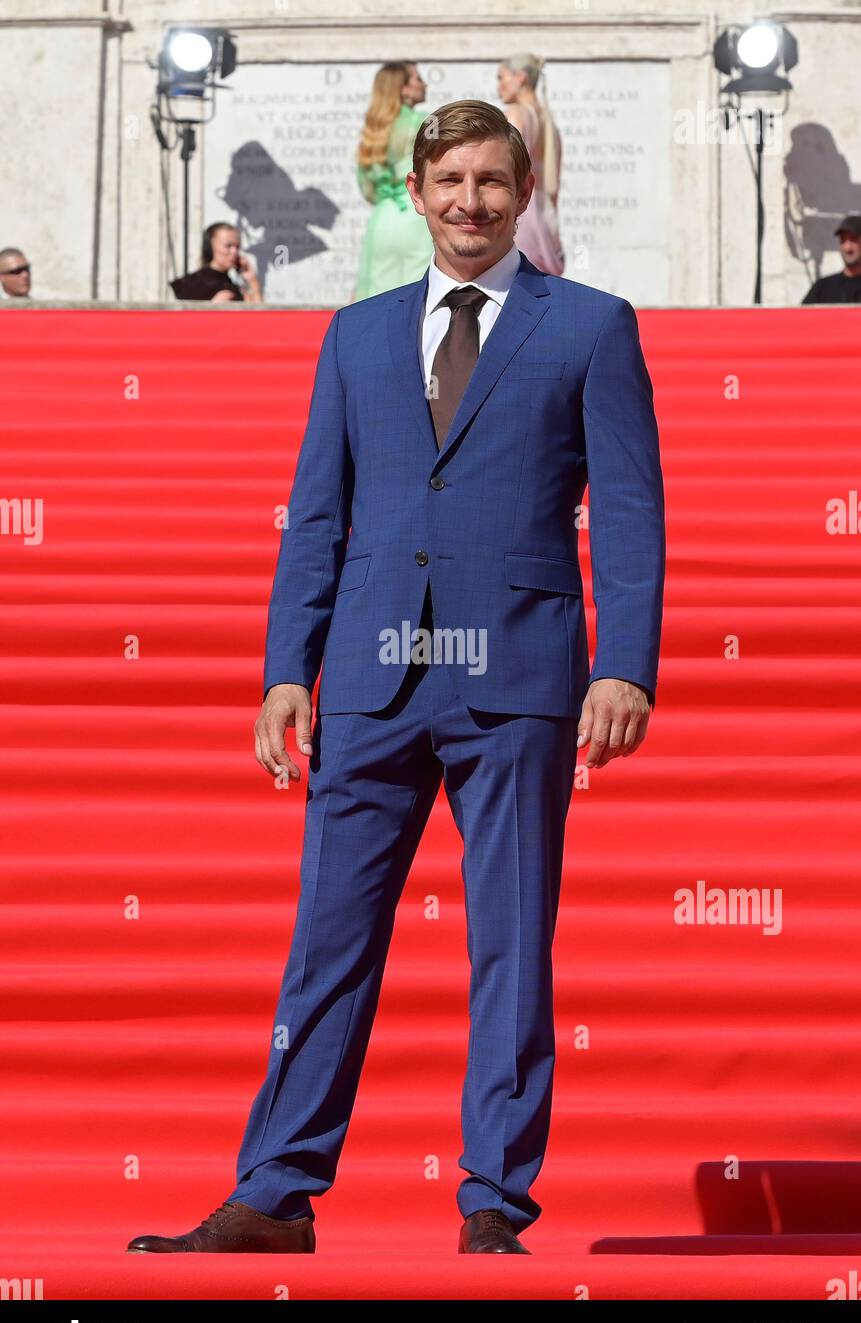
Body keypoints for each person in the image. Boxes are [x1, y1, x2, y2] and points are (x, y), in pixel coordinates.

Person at [128, 98, 664, 1257]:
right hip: (373, 673)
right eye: (448, 182)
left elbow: (625, 506)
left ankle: (492, 1200)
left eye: (489, 181)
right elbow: (317, 514)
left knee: (510, 941)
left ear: (522, 194)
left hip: (517, 672)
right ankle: (274, 1189)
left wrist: (624, 662)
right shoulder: (356, 335)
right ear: (415, 196)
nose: (467, 201)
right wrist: (287, 668)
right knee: (327, 939)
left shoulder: (588, 327)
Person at [353, 61, 434, 300]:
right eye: (418, 79)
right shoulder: (424, 122)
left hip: (384, 216)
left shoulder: (375, 130)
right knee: (417, 296)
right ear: (403, 88)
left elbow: (367, 187)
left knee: (378, 294)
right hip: (415, 213)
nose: (425, 83)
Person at [497, 54, 565, 277]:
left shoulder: (517, 114)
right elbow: (554, 186)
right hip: (546, 214)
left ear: (520, 77)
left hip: (524, 214)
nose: (499, 86)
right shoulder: (550, 122)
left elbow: (506, 168)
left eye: (502, 78)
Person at [170, 222, 263, 302]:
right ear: (210, 247)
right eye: (228, 246)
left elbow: (259, 318)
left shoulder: (234, 288)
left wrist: (253, 281)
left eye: (237, 247)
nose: (234, 252)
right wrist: (212, 309)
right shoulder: (188, 285)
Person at [801, 213, 861, 303]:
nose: (848, 247)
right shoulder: (822, 288)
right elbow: (800, 316)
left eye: (854, 239)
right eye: (843, 240)